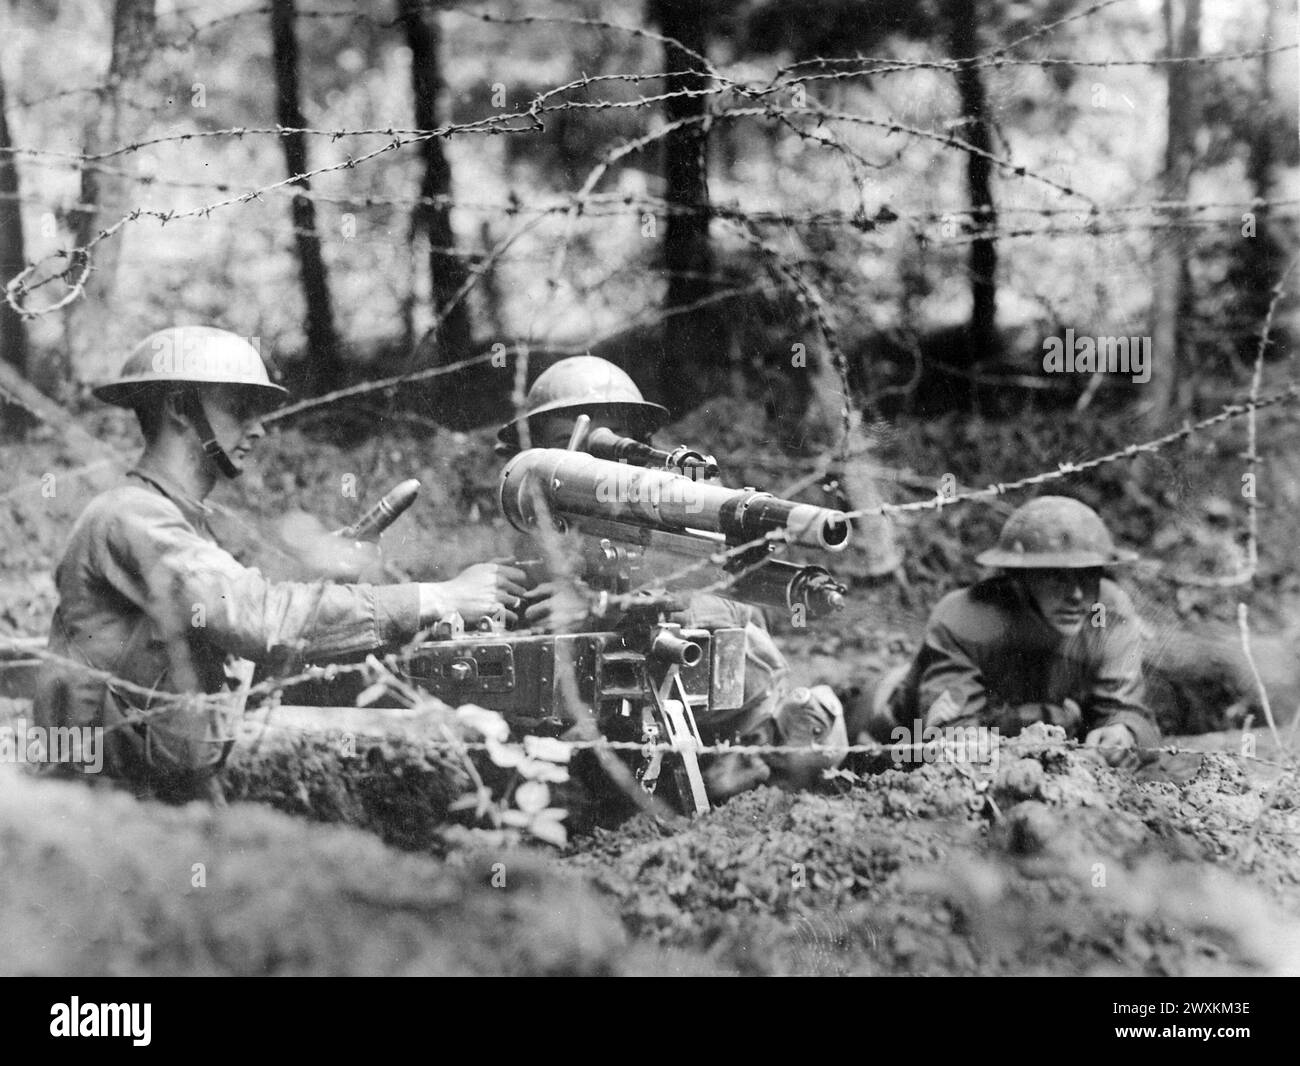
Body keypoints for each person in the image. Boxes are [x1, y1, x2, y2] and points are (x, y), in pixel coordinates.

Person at [33, 326, 526, 803]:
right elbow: (257, 619)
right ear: (181, 408)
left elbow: (239, 630)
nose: (260, 426)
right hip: (101, 803)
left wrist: (324, 578)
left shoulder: (174, 520)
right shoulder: (132, 517)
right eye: (238, 409)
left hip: (151, 788)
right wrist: (435, 598)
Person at [496, 355, 848, 800]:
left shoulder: (676, 506)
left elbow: (733, 608)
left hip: (724, 723)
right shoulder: (538, 527)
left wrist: (602, 610)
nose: (585, 456)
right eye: (567, 442)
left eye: (608, 439)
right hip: (616, 733)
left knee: (817, 743)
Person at [852, 496, 1157, 769]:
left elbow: (1127, 709)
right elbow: (949, 735)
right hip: (898, 732)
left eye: (1088, 575)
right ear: (1018, 579)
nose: (1076, 594)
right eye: (1055, 577)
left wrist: (1123, 732)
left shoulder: (1110, 613)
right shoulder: (966, 615)